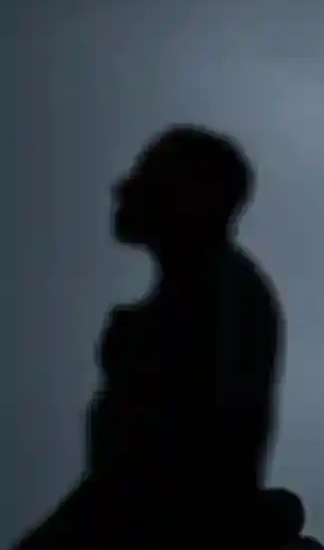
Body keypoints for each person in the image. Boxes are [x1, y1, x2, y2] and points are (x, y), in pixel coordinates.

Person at [16, 125, 300, 548]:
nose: (124, 187)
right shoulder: (183, 305)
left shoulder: (221, 298)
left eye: (151, 173)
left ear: (203, 196)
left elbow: (196, 456)